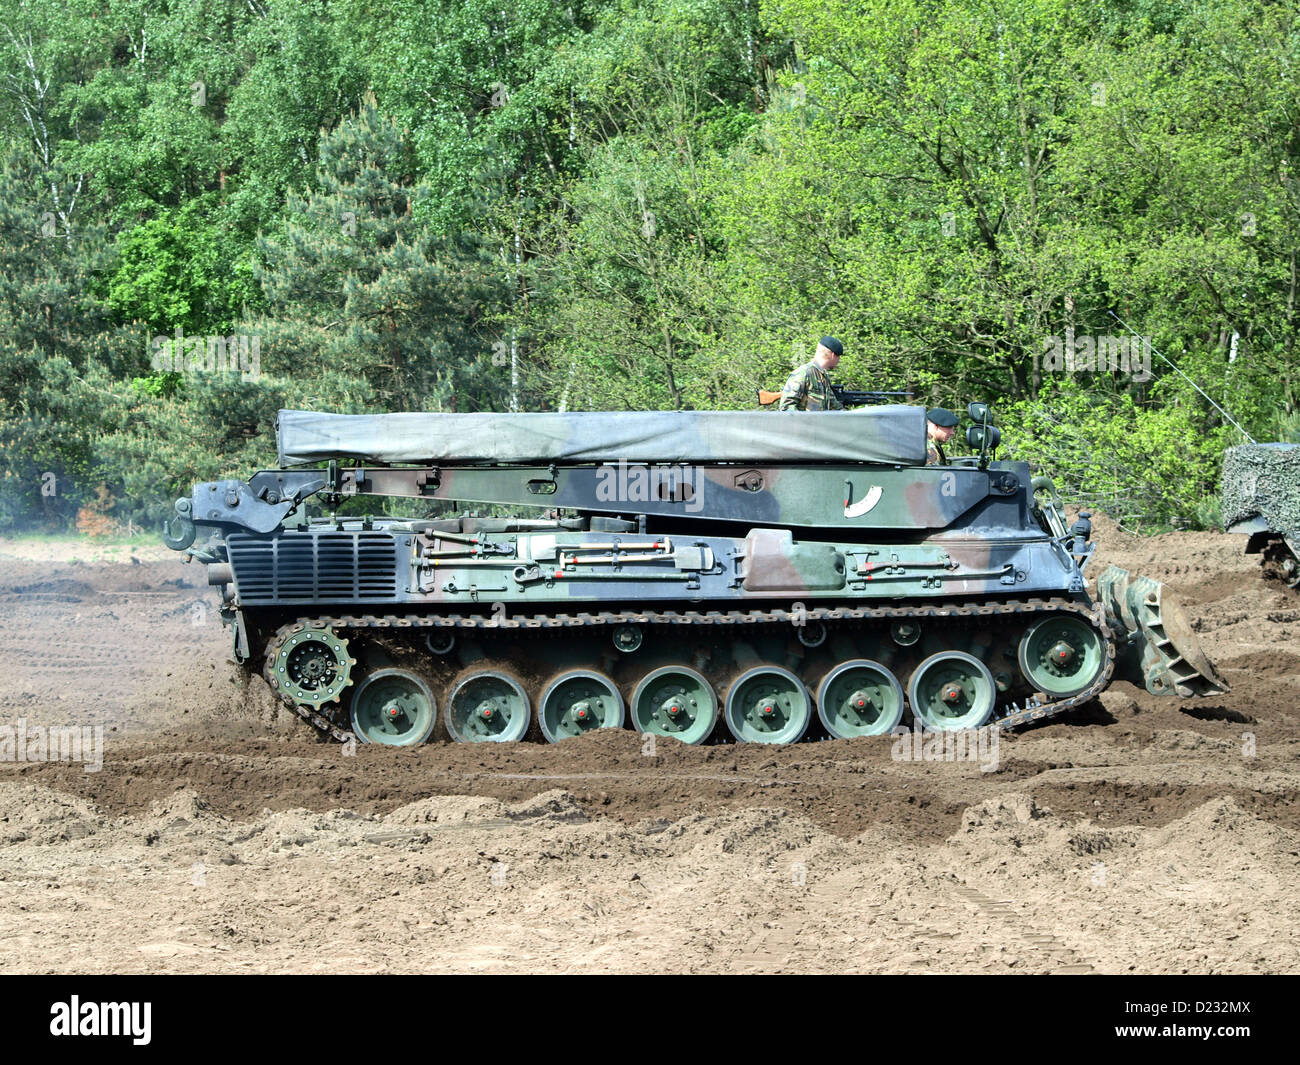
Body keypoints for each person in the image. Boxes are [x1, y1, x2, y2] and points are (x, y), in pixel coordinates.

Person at [779, 336, 844, 411]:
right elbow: (786, 407)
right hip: (803, 422)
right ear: (833, 355)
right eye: (838, 357)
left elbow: (834, 406)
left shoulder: (824, 377)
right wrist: (804, 422)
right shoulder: (803, 373)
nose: (838, 361)